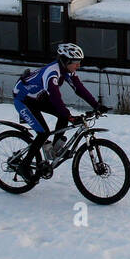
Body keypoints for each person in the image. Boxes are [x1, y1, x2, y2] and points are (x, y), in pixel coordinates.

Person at [12, 43, 108, 175]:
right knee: (43, 132)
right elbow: (56, 98)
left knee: (62, 115)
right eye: (76, 62)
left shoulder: (67, 70)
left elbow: (79, 89)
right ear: (65, 61)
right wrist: (69, 116)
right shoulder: (52, 73)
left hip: (39, 98)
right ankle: (24, 166)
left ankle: (55, 149)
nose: (78, 66)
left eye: (79, 62)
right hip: (23, 99)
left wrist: (96, 106)